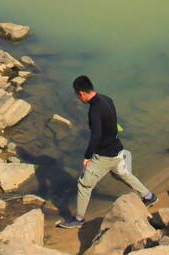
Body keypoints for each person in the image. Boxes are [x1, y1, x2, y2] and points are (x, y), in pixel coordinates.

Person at [58, 76, 156, 229]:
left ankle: (78, 219)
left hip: (105, 156)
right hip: (117, 149)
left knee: (84, 185)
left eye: (78, 95)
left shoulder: (94, 110)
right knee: (122, 174)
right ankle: (149, 196)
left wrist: (87, 156)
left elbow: (96, 135)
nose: (78, 98)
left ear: (81, 93)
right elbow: (113, 122)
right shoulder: (106, 99)